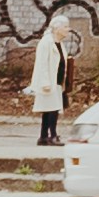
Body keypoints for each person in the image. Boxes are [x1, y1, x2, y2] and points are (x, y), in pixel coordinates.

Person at [27, 18, 69, 150]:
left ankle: (44, 136)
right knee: (52, 109)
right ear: (57, 28)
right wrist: (45, 82)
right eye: (66, 27)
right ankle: (52, 136)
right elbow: (42, 63)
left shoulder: (59, 43)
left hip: (56, 81)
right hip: (49, 81)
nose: (68, 29)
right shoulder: (46, 42)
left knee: (50, 109)